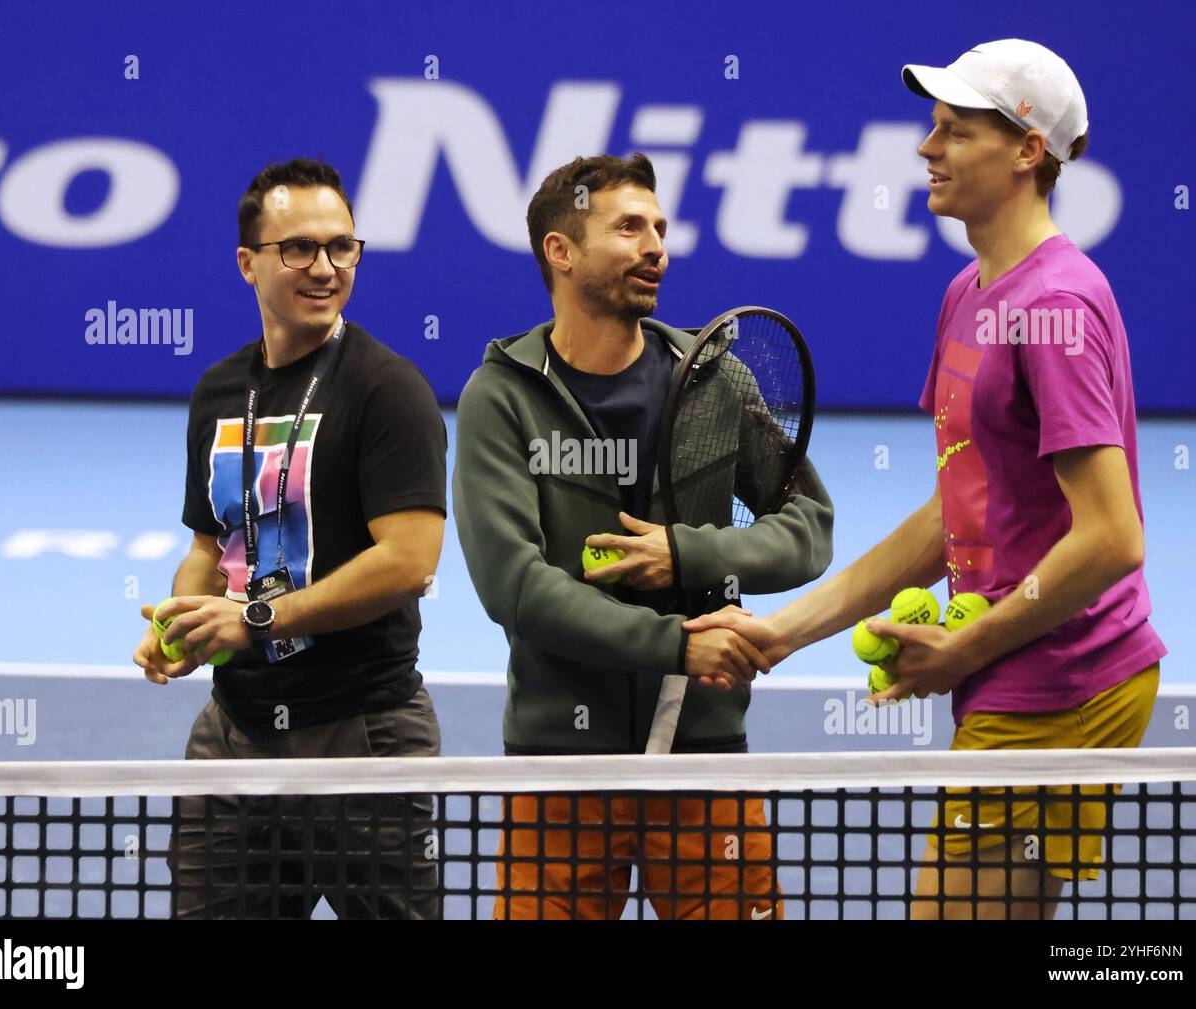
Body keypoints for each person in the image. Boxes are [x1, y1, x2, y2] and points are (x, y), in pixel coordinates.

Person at [685, 40, 1166, 920]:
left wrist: (971, 646)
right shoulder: (967, 293)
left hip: (1063, 675)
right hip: (1019, 659)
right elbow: (957, 509)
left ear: (1027, 151)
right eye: (931, 127)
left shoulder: (1056, 307)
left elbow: (1113, 536)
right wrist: (788, 629)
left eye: (955, 131)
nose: (924, 148)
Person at [453, 153, 834, 919]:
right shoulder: (503, 397)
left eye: (660, 227)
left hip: (704, 759)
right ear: (561, 252)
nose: (657, 245)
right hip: (561, 762)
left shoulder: (716, 378)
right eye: (629, 227)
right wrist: (678, 645)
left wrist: (690, 553)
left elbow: (808, 527)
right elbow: (514, 586)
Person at [130, 158, 448, 919]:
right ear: (249, 263)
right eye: (299, 248)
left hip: (364, 736)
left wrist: (256, 619)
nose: (326, 266)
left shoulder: (386, 388)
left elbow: (410, 561)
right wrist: (185, 622)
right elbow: (209, 548)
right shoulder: (216, 391)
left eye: (342, 247)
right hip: (235, 733)